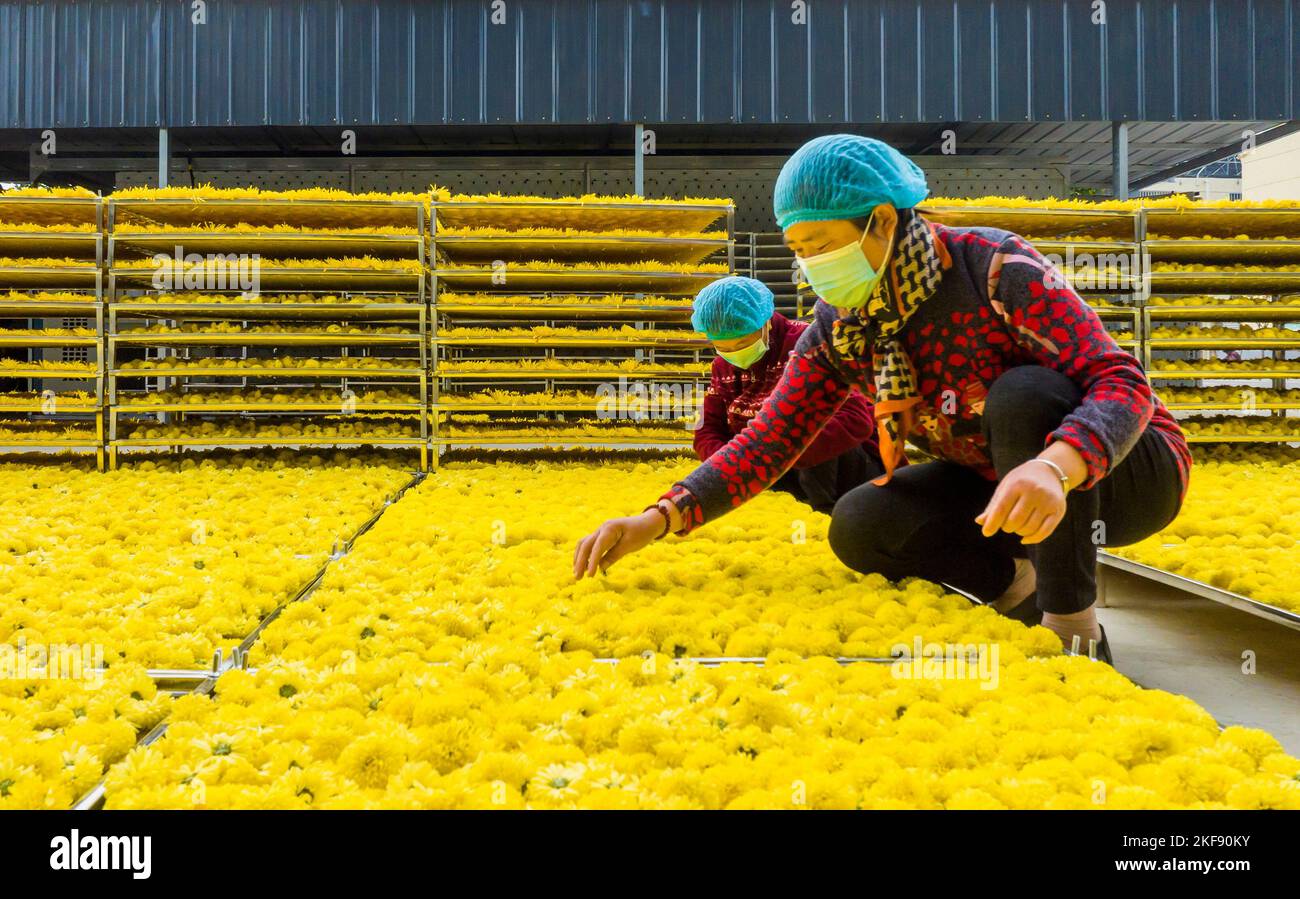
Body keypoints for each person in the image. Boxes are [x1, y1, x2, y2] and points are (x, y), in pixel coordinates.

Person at [574, 134, 1193, 663]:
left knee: (1024, 394)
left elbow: (1121, 381)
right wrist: (659, 518)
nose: (812, 264)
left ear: (884, 221)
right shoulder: (843, 328)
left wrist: (1056, 465)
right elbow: (770, 439)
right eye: (800, 251)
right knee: (861, 522)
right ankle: (1017, 585)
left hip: (1120, 473)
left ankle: (1074, 631)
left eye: (822, 244)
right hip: (995, 485)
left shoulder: (995, 270)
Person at [691, 276, 884, 514]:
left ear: (767, 323)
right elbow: (707, 430)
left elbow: (855, 420)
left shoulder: (809, 345)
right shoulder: (722, 368)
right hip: (767, 467)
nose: (734, 353)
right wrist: (730, 469)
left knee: (805, 424)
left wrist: (773, 454)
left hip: (845, 472)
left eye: (742, 342)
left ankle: (825, 514)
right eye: (723, 347)